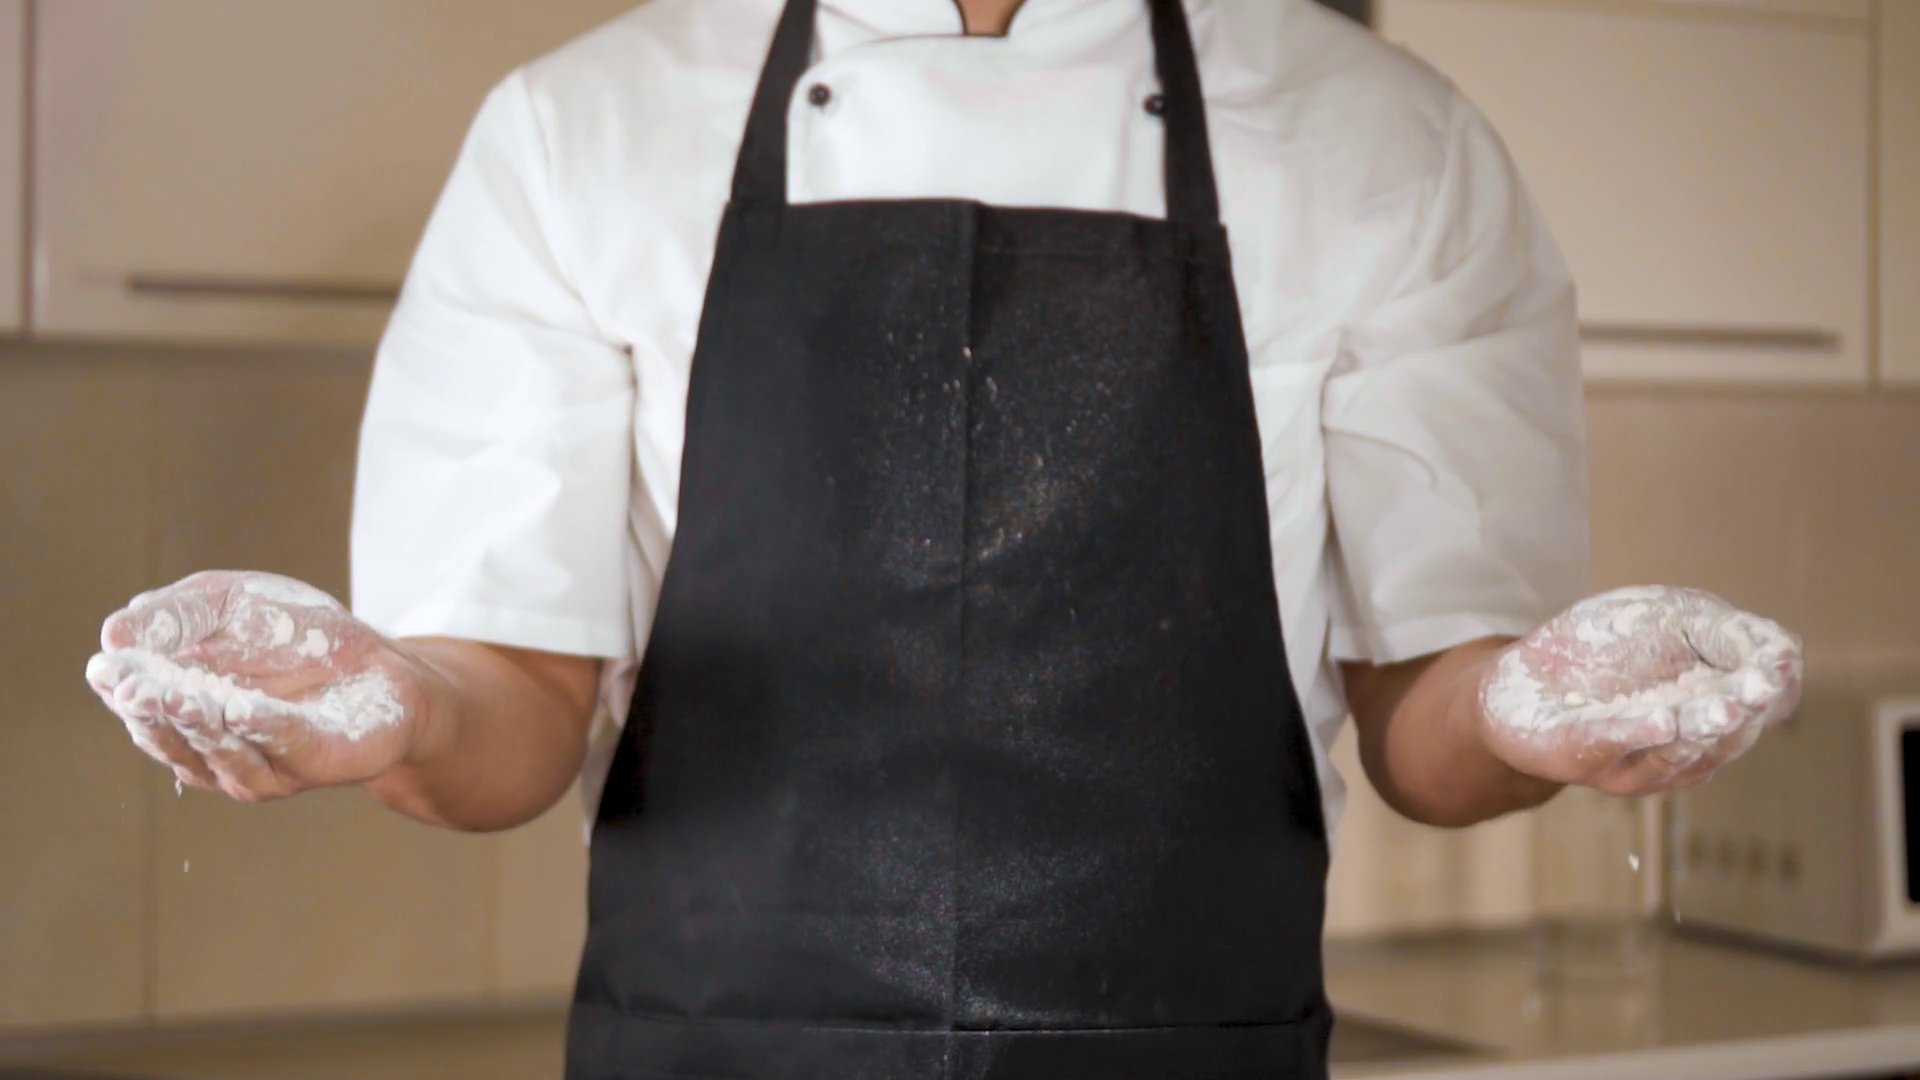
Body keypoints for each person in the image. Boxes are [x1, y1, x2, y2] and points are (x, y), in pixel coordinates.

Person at [84, 1, 1805, 1077]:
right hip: (717, 1060)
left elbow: (1431, 710)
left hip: (1186, 1054)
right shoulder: (580, 132)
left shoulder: (1387, 141)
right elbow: (508, 706)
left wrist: (1527, 712)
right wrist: (384, 707)